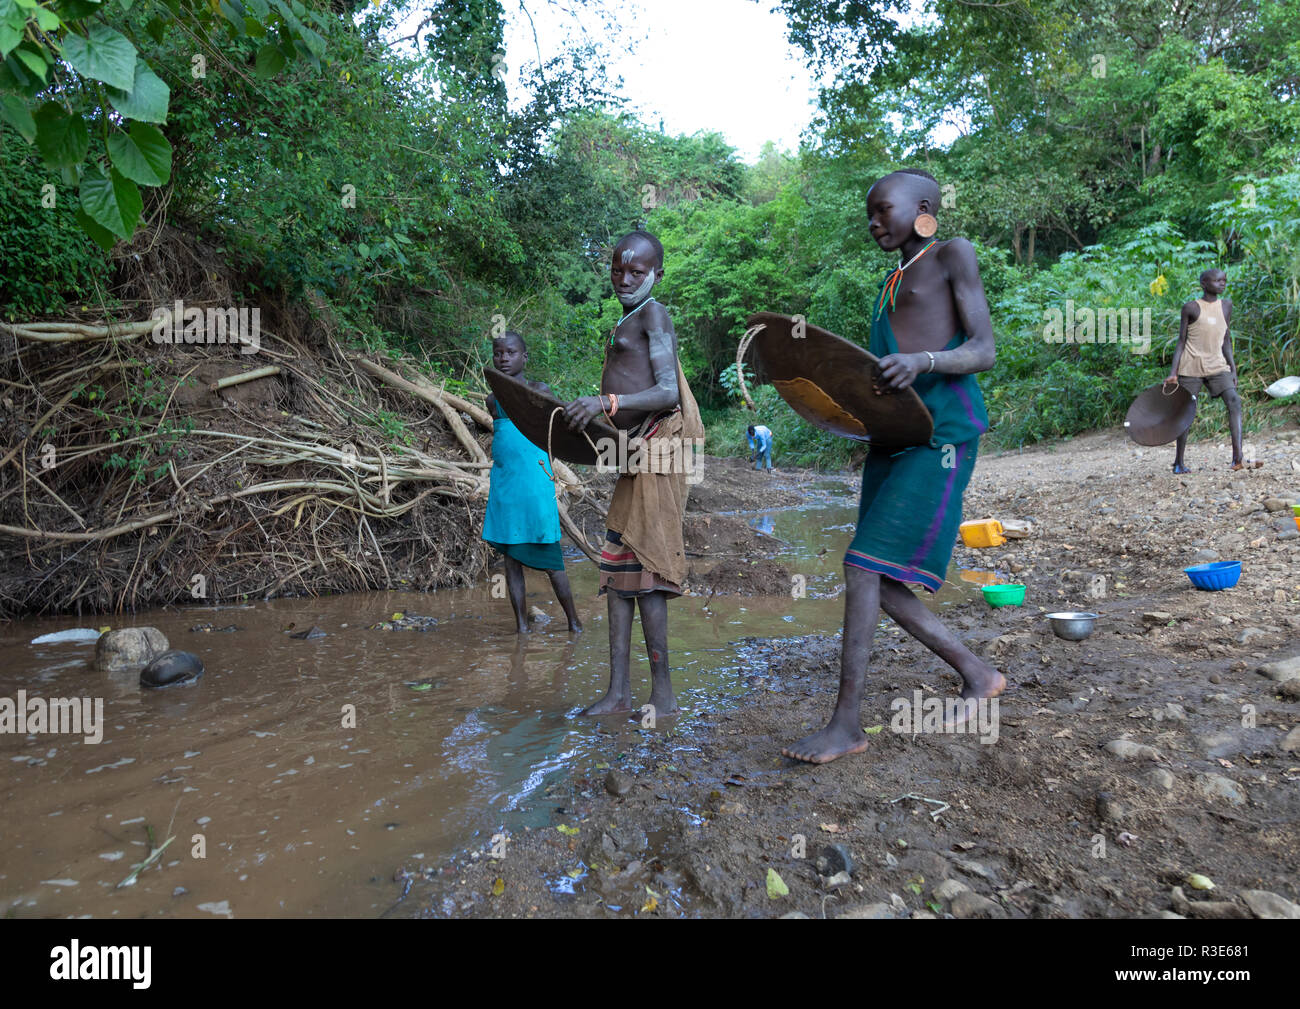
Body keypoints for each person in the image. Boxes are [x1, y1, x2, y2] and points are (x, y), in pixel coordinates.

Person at [782, 168, 1005, 764]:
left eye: (883, 209)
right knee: (876, 577)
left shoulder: (952, 254)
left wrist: (923, 360)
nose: (874, 222)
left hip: (944, 435)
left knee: (861, 566)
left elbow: (983, 349)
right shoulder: (889, 281)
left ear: (924, 207)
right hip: (895, 437)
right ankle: (979, 675)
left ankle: (846, 724)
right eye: (869, 214)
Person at [562, 230, 703, 717]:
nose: (624, 279)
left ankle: (662, 698)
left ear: (657, 275)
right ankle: (619, 693)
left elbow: (667, 392)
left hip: (657, 451)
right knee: (619, 569)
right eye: (617, 270)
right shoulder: (629, 317)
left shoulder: (654, 314)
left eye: (636, 272)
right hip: (636, 453)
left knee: (648, 573)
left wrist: (607, 402)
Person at [483, 331, 582, 633]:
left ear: (524, 357)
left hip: (536, 488)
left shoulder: (540, 391)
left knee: (552, 561)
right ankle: (521, 628)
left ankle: (574, 623)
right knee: (511, 562)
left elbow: (560, 425)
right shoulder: (492, 400)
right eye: (498, 353)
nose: (503, 359)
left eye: (511, 353)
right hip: (505, 487)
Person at [1165, 268, 1259, 472]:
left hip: (1218, 364)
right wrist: (1173, 373)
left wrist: (1232, 369)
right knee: (1186, 410)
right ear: (1204, 284)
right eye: (1217, 280)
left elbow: (1226, 339)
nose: (1222, 283)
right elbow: (1181, 342)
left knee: (1234, 400)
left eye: (1224, 280)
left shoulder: (1226, 306)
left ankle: (1238, 458)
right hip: (1191, 365)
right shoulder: (1191, 308)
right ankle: (1179, 462)